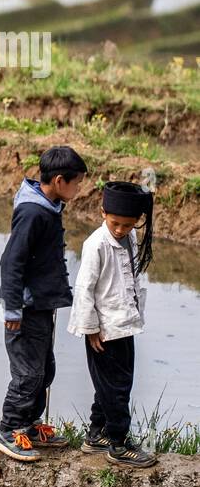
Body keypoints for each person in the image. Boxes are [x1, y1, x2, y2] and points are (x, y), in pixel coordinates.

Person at [0, 145, 87, 462]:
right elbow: (11, 262)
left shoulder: (48, 207)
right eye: (77, 182)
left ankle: (29, 424)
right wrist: (13, 309)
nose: (79, 188)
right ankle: (7, 429)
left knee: (45, 370)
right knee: (28, 374)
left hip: (41, 306)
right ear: (60, 181)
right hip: (27, 310)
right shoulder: (33, 213)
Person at [68, 181, 158, 468]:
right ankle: (119, 443)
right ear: (102, 212)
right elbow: (84, 288)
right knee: (116, 386)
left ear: (136, 223)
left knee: (114, 383)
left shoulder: (129, 240)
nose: (120, 230)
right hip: (103, 329)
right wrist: (91, 327)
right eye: (115, 223)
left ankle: (97, 433)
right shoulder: (96, 244)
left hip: (123, 323)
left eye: (128, 225)